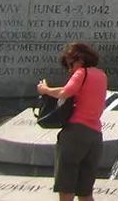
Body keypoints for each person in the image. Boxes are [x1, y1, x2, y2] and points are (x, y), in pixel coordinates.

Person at [37, 41, 108, 201]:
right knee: (85, 194)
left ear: (80, 59)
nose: (70, 70)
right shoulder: (102, 75)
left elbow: (65, 92)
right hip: (95, 137)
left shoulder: (82, 73)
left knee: (66, 189)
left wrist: (45, 90)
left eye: (70, 64)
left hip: (75, 134)